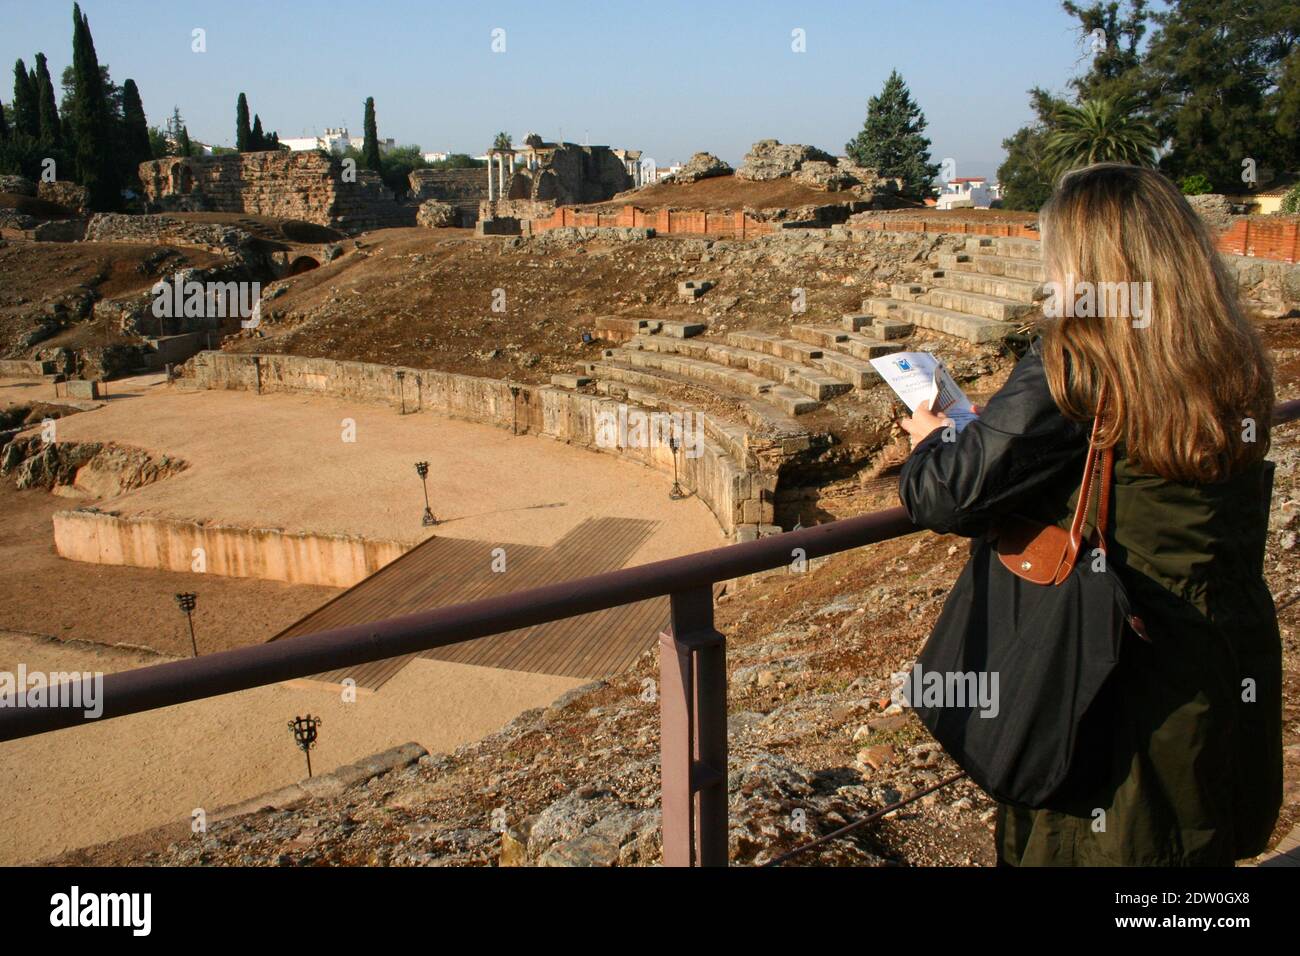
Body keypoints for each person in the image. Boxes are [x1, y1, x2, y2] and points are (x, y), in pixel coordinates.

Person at [895, 162, 1280, 866]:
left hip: (1109, 671)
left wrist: (935, 442)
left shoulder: (1079, 357)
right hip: (1212, 651)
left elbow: (944, 493)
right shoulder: (1227, 348)